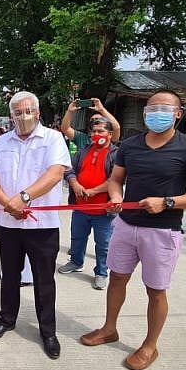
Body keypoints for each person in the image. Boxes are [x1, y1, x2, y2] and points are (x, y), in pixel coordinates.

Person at [79, 90, 186, 370]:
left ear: (178, 114)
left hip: (162, 231)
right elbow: (116, 180)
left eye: (164, 108)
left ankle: (150, 345)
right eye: (152, 109)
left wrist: (168, 202)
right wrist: (116, 197)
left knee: (155, 290)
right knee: (117, 278)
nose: (157, 114)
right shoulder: (130, 146)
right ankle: (109, 328)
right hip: (126, 225)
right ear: (144, 114)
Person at [0, 91, 71, 360]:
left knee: (44, 281)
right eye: (17, 112)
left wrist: (23, 198)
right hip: (9, 223)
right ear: (11, 116)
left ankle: (48, 331)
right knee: (9, 276)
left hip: (42, 225)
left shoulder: (53, 139)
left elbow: (56, 174)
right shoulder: (2, 142)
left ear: (38, 112)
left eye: (28, 111)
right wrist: (10, 204)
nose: (23, 116)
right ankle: (7, 319)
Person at [58, 117, 118, 290]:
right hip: (81, 207)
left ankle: (101, 272)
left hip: (104, 211)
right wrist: (75, 184)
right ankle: (76, 262)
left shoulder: (115, 154)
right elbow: (69, 169)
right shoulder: (84, 150)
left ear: (110, 134)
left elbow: (115, 178)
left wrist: (94, 191)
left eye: (101, 131)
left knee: (103, 244)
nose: (97, 134)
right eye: (94, 131)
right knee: (77, 238)